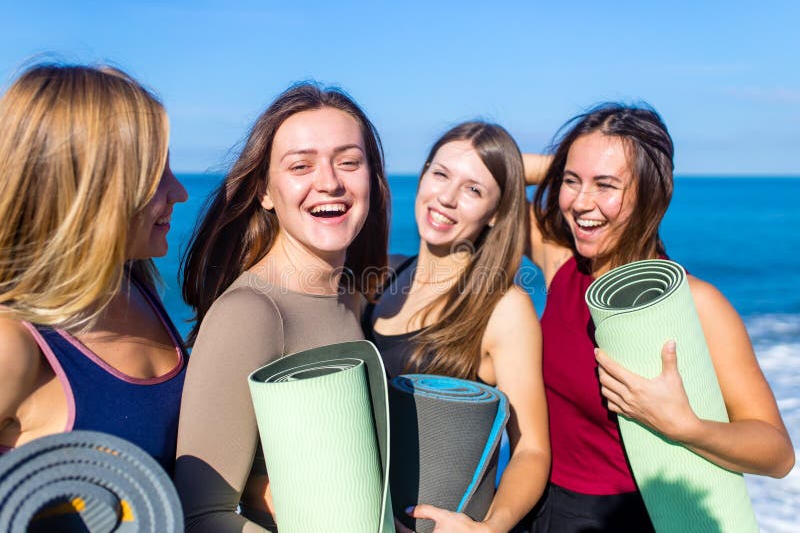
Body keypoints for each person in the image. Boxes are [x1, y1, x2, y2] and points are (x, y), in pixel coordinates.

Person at [525, 103, 795, 531]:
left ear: (653, 193)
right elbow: (493, 171)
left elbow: (778, 454)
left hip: (633, 518)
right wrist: (579, 160)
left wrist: (686, 426)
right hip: (540, 510)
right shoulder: (561, 263)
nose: (580, 203)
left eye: (606, 185)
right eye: (570, 182)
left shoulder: (697, 303)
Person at [174, 82, 390, 532]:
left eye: (349, 161)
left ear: (373, 179)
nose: (329, 181)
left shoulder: (348, 295)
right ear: (266, 192)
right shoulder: (251, 313)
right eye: (300, 165)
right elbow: (204, 516)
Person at [0, 64, 189, 474]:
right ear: (91, 187)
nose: (180, 192)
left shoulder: (137, 287)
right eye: (157, 174)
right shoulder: (12, 344)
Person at [364, 122, 550, 532]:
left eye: (473, 190)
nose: (445, 198)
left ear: (496, 213)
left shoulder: (504, 308)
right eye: (441, 174)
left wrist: (491, 528)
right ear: (423, 175)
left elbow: (532, 449)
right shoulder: (385, 274)